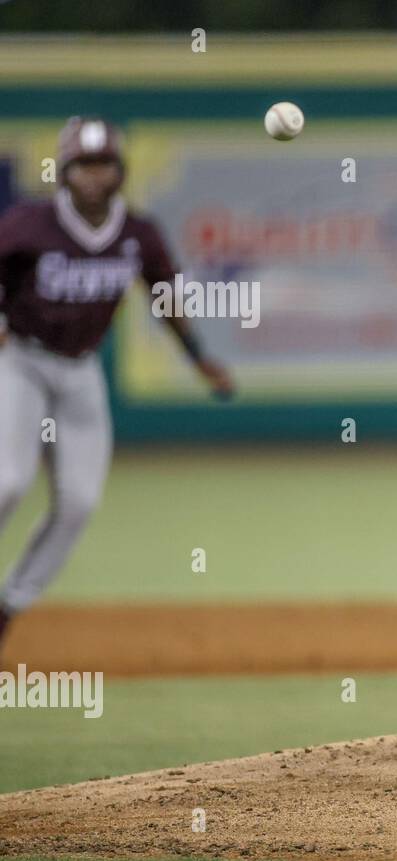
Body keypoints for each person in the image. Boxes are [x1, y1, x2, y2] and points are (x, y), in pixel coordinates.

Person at [0, 116, 234, 657]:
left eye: (103, 163)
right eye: (83, 165)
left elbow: (165, 298)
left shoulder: (137, 234)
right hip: (23, 361)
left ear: (120, 171)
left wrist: (198, 357)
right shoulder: (28, 224)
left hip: (82, 372)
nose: (93, 176)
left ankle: (8, 605)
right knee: (8, 481)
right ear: (64, 171)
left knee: (79, 502)